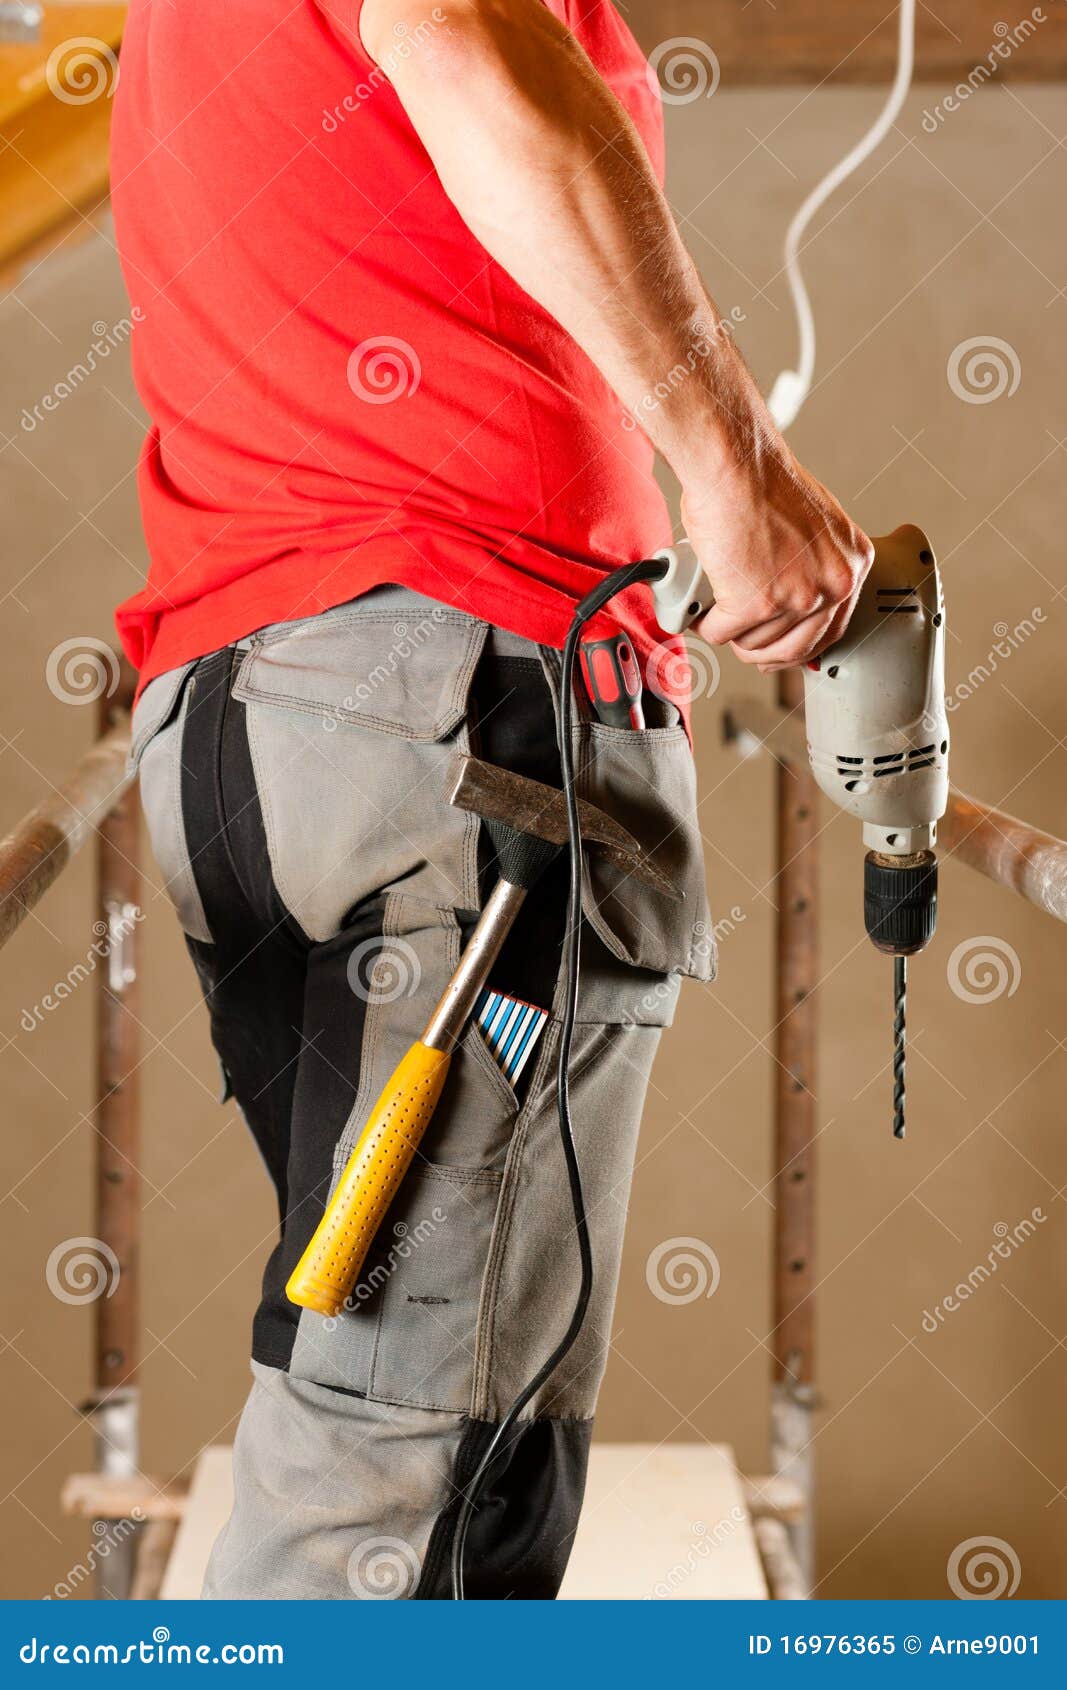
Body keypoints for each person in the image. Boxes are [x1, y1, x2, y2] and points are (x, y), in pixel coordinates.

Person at [111, 0, 871, 1599]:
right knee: (409, 1477)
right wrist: (735, 471)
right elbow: (457, 35)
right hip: (460, 725)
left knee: (405, 1409)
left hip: (271, 725)